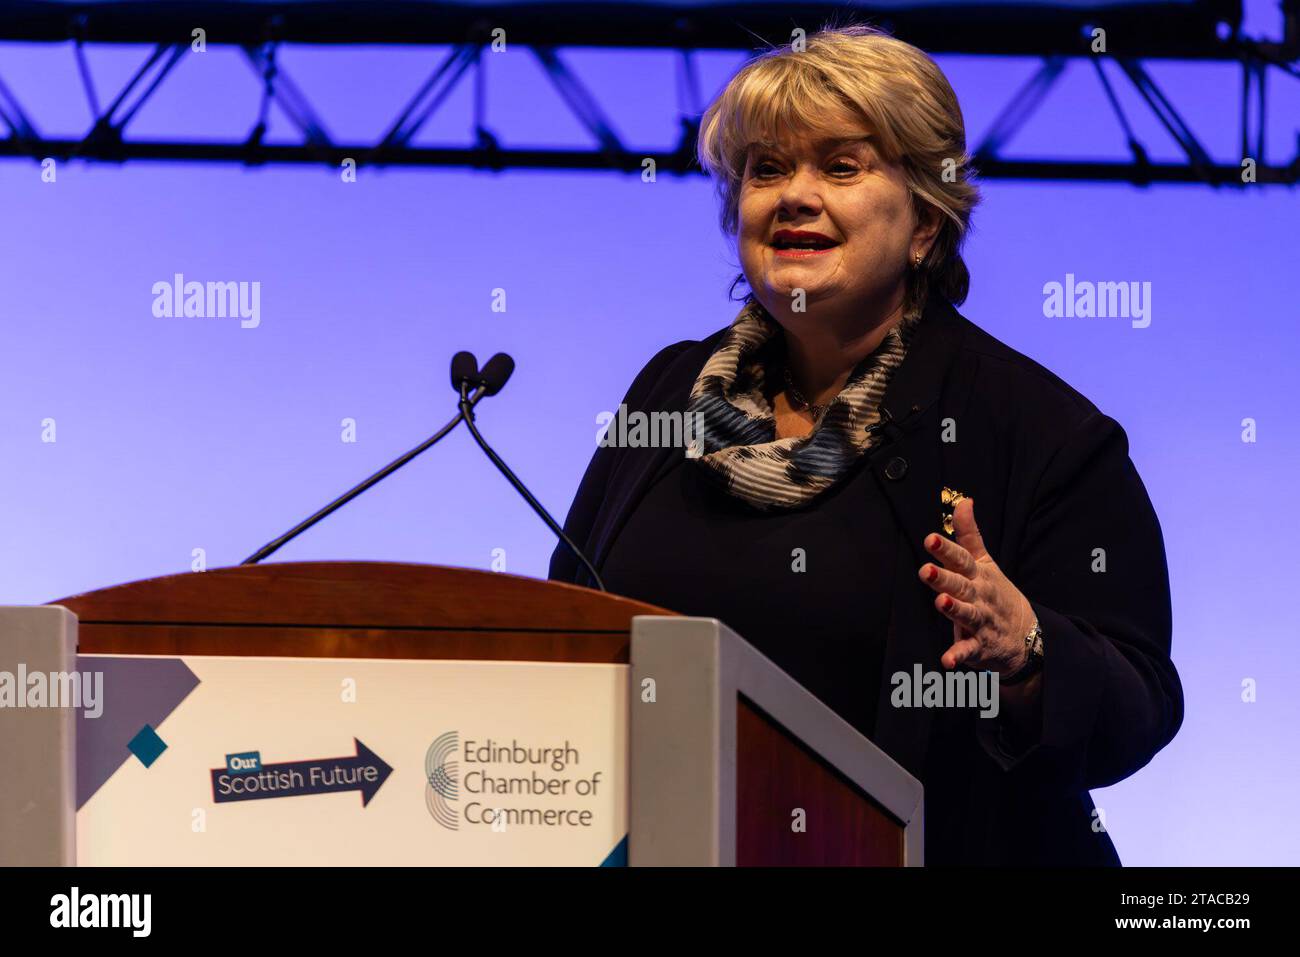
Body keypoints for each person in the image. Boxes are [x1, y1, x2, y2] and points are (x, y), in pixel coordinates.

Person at [549, 23, 1182, 865]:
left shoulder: (1034, 428)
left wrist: (1028, 647)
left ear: (925, 220)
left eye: (840, 167)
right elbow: (565, 621)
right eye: (767, 169)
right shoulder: (671, 391)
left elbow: (1139, 704)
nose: (793, 196)